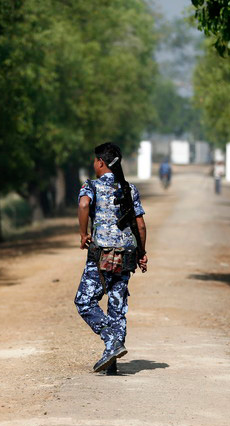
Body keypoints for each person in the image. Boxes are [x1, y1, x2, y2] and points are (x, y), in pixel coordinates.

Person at [75, 142, 148, 375]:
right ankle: (112, 360)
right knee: (117, 306)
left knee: (85, 301)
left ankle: (111, 340)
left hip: (101, 256)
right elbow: (140, 225)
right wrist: (142, 253)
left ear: (100, 162)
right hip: (126, 256)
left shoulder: (91, 186)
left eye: (94, 160)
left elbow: (83, 204)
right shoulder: (129, 189)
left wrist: (83, 234)